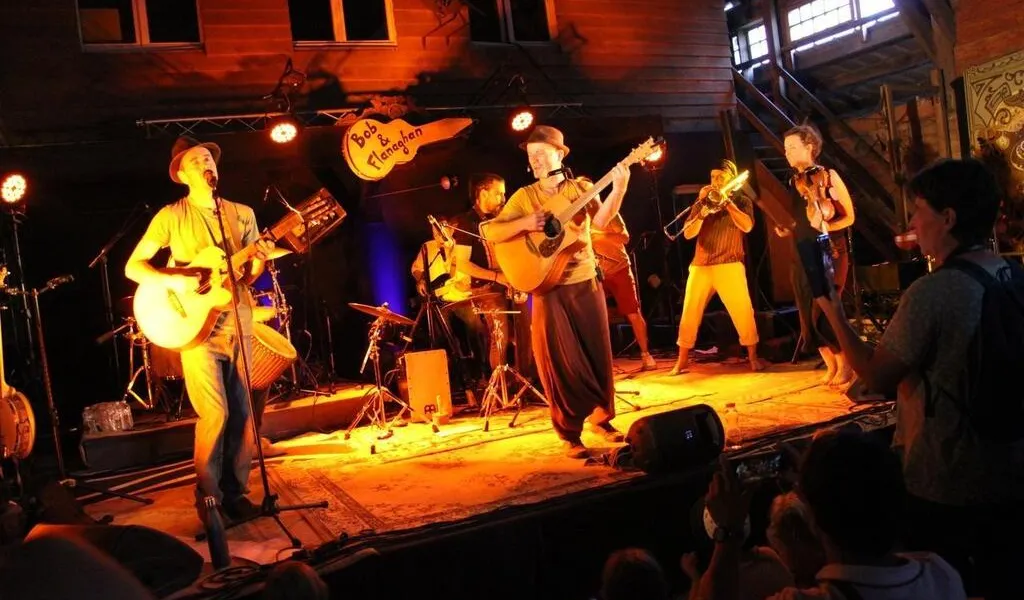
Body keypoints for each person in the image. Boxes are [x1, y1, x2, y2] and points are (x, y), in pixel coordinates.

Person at [814, 158, 1024, 599]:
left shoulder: (933, 291)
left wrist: (832, 310)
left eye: (919, 209)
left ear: (947, 218)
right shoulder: (1011, 274)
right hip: (1008, 466)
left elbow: (876, 376)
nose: (912, 221)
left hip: (946, 479)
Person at [125, 136, 273, 525]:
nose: (208, 163)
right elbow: (134, 267)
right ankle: (209, 501)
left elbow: (254, 269)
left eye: (210, 158)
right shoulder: (171, 216)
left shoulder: (242, 213)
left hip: (238, 319)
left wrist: (254, 264)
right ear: (183, 173)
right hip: (196, 329)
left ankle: (237, 495)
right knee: (216, 413)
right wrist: (176, 280)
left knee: (243, 413)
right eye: (199, 160)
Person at [481, 125, 630, 458]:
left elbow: (603, 222)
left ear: (560, 154)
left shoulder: (582, 188)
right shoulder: (525, 197)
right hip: (548, 286)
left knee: (597, 353)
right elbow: (491, 231)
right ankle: (569, 433)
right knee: (559, 361)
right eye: (530, 156)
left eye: (540, 154)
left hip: (585, 280)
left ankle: (601, 420)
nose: (533, 161)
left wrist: (619, 188)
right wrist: (524, 224)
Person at [776, 124, 856, 387]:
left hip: (829, 249)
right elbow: (802, 218)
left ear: (810, 147)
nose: (787, 152)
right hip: (802, 250)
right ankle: (831, 365)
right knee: (805, 315)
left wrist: (825, 227)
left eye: (793, 147)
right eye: (786, 148)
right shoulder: (794, 181)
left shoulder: (828, 175)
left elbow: (849, 217)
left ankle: (847, 365)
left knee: (824, 313)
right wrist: (789, 230)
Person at [669, 162, 763, 375]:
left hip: (729, 263)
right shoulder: (702, 202)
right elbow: (688, 234)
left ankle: (753, 357)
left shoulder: (742, 200)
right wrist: (702, 212)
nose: (716, 182)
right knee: (689, 313)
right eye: (713, 177)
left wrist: (728, 203)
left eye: (721, 177)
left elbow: (747, 226)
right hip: (701, 264)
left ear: (731, 180)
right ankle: (682, 360)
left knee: (742, 311)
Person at [590, 196, 658, 371]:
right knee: (593, 316)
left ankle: (645, 355)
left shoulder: (611, 212)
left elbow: (625, 237)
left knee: (632, 312)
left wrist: (598, 234)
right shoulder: (580, 219)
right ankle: (602, 361)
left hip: (619, 268)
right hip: (596, 272)